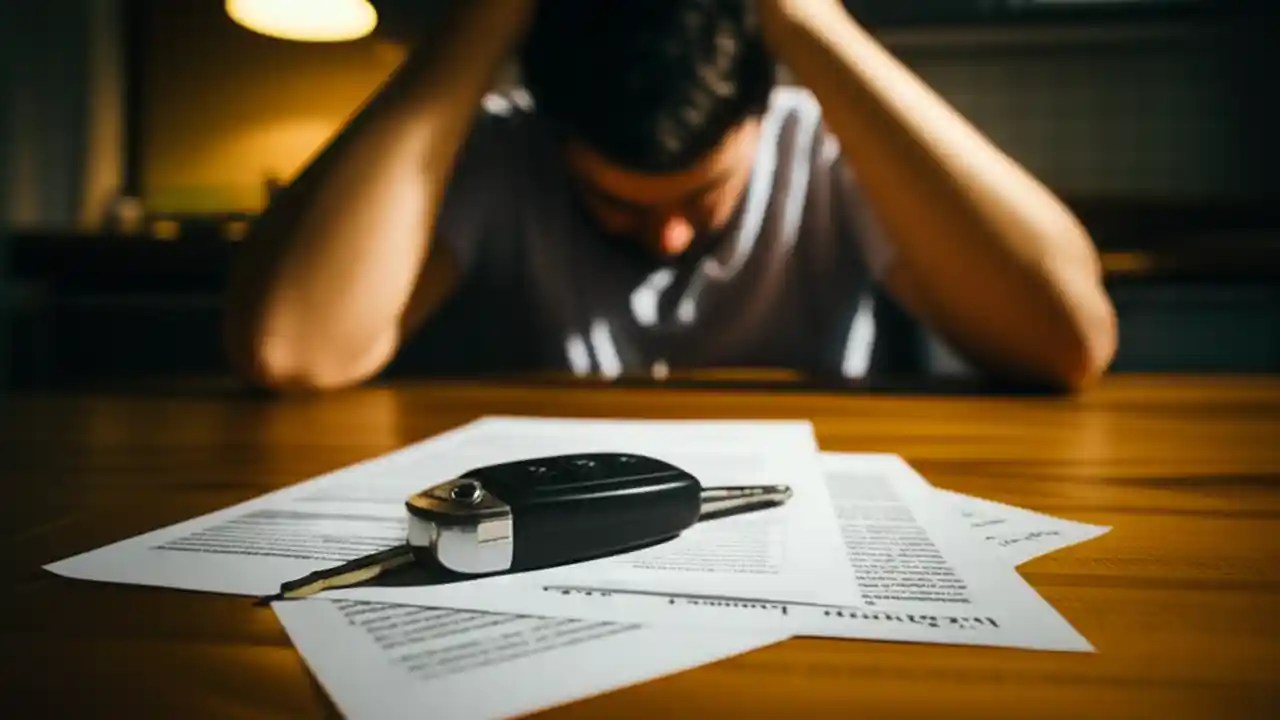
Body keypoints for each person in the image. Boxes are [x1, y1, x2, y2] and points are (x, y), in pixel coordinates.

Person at [225, 0, 1117, 392]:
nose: (672, 234)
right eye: (616, 204)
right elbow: (293, 349)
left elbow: (1068, 338)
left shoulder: (822, 141)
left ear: (762, 119)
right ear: (555, 134)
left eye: (707, 192)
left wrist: (809, 18)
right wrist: (488, 17)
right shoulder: (504, 149)